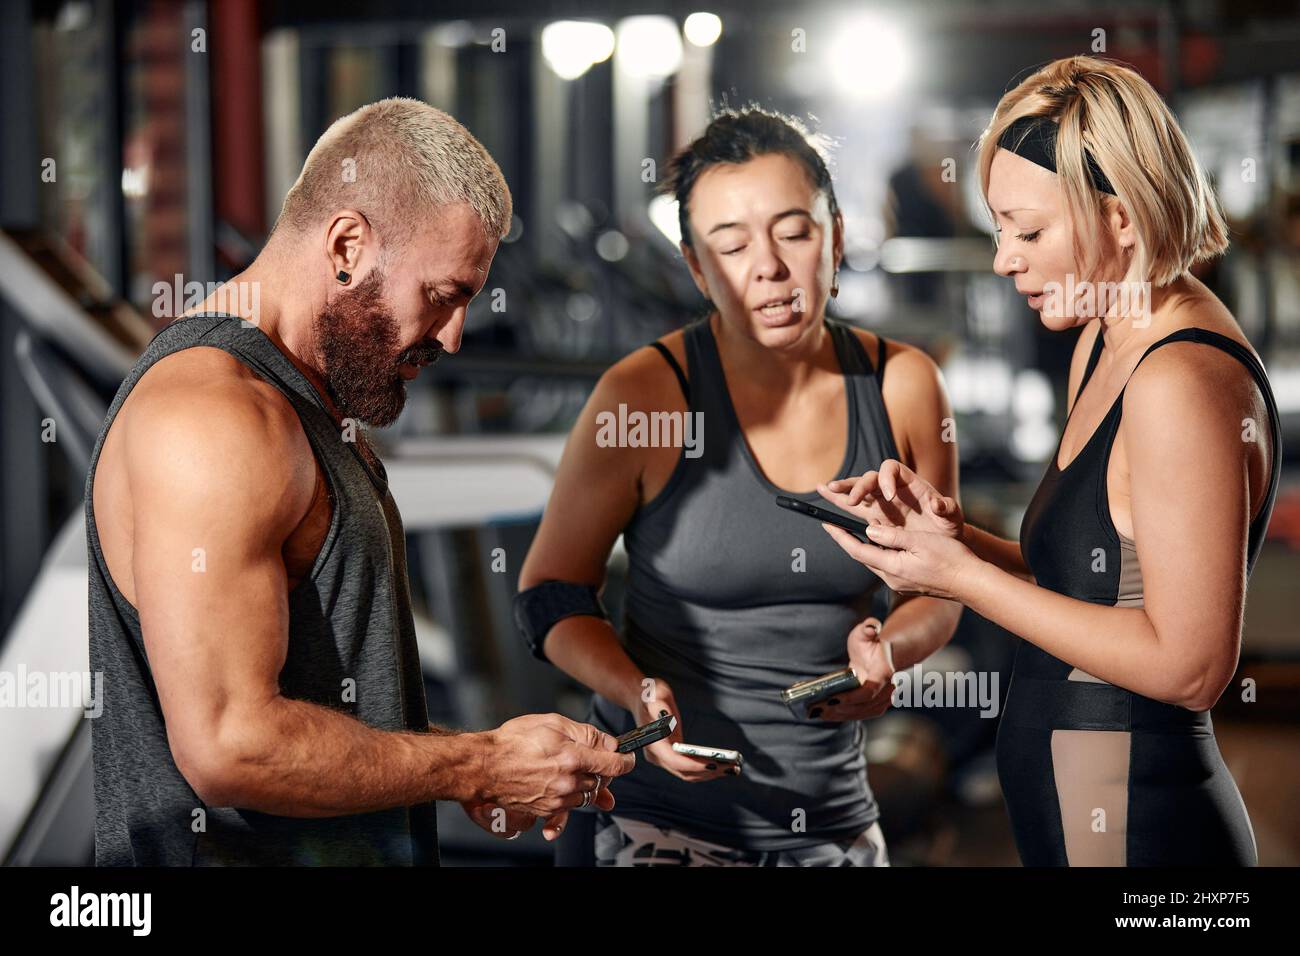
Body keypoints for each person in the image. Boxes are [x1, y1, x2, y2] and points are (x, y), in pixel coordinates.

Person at [87, 97, 632, 866]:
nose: (453, 336)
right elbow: (228, 746)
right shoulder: (216, 418)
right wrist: (475, 764)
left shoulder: (300, 401)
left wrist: (478, 760)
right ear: (347, 244)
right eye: (443, 295)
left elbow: (317, 700)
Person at [819, 56, 1281, 866]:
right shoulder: (1107, 338)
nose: (1004, 260)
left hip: (1147, 835)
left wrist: (964, 581)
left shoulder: (1179, 379)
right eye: (999, 228)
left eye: (1029, 232)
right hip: (1071, 816)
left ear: (1124, 217)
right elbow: (1095, 584)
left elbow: (1190, 666)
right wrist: (950, 546)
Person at [516, 107, 962, 866]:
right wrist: (636, 692)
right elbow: (551, 593)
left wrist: (889, 648)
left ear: (838, 234)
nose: (769, 266)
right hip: (653, 821)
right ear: (696, 267)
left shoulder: (903, 387)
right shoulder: (644, 396)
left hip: (832, 823)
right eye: (730, 244)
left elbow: (943, 587)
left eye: (794, 231)